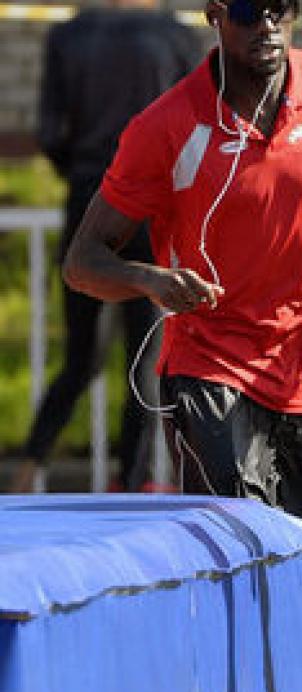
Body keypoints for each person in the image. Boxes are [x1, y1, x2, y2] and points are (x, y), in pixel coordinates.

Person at [64, 0, 302, 546]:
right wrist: (152, 280)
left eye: (283, 8)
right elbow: (82, 262)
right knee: (244, 553)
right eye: (250, 11)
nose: (269, 25)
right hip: (213, 364)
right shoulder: (164, 125)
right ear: (215, 15)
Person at [13, 0, 201, 494]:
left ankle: (30, 463)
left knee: (80, 356)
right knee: (145, 355)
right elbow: (199, 123)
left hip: (90, 202)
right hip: (154, 205)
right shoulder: (176, 35)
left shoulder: (70, 35)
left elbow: (51, 134)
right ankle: (133, 481)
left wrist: (86, 173)